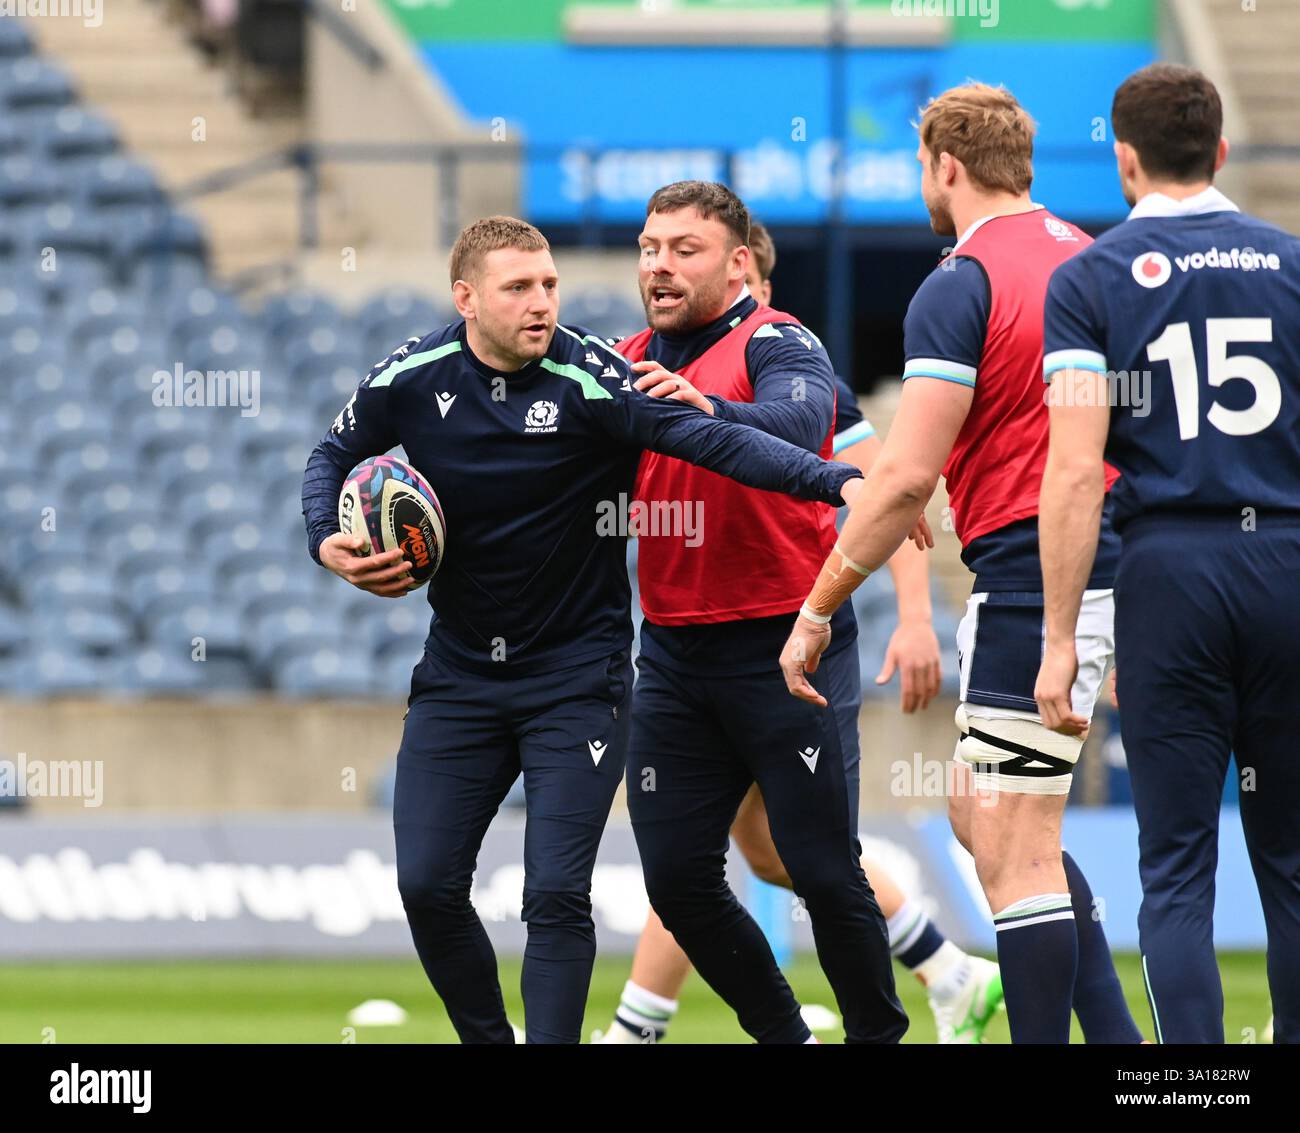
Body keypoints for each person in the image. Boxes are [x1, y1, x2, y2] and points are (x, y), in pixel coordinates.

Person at [300, 215, 864, 1044]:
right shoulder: (412, 376)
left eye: (551, 285)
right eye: (519, 288)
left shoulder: (595, 377)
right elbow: (328, 454)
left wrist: (832, 481)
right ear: (466, 299)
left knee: (555, 893)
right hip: (458, 676)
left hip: (578, 680)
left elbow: (707, 441)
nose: (542, 303)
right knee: (425, 884)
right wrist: (326, 541)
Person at [780, 84, 1143, 1045]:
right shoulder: (1093, 258)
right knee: (979, 812)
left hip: (1037, 571)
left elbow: (903, 476)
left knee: (1014, 845)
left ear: (945, 165)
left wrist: (819, 605)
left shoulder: (962, 279)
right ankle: (1117, 1046)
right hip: (1080, 561)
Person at [601, 219, 1003, 1045]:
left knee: (818, 865)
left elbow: (870, 481)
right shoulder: (629, 357)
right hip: (676, 653)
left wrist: (919, 616)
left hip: (787, 643)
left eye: (685, 250)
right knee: (695, 874)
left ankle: (901, 1008)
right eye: (651, 250)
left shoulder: (785, 345)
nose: (661, 266)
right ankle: (923, 982)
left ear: (742, 268)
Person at [1034, 63, 1300, 1045]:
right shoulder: (1292, 261)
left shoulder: (1091, 277)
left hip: (1167, 572)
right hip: (1285, 559)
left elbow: (1070, 474)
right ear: (1223, 151)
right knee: (1291, 859)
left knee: (1176, 863)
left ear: (1124, 161)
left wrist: (1062, 638)